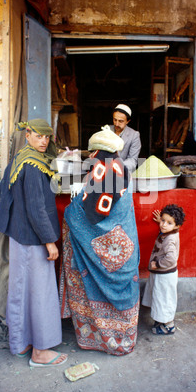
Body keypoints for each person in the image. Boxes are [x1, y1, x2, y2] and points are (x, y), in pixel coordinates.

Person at [60, 125, 140, 355]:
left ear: (96, 152)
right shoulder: (120, 167)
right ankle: (123, 337)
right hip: (125, 246)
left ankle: (97, 338)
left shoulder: (101, 171)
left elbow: (84, 215)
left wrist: (69, 212)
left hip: (105, 244)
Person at [0, 118, 68, 367]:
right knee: (40, 293)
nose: (44, 141)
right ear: (27, 134)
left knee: (20, 290)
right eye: (38, 136)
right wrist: (49, 242)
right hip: (34, 238)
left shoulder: (19, 158)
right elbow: (37, 209)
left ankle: (21, 343)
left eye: (47, 137)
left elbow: (2, 191)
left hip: (18, 237)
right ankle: (40, 352)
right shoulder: (35, 166)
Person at [142, 204, 185, 335]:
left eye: (169, 223)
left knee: (165, 300)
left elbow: (171, 259)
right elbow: (165, 228)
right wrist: (160, 222)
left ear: (177, 226)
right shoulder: (170, 232)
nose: (163, 225)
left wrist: (158, 264)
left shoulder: (170, 239)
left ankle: (169, 326)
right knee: (160, 298)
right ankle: (162, 321)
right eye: (163, 220)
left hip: (165, 276)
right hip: (161, 275)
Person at [110, 104, 141, 173]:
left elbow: (133, 160)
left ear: (128, 121)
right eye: (115, 120)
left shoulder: (134, 135)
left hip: (123, 173)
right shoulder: (107, 130)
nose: (117, 124)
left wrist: (116, 168)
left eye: (120, 121)